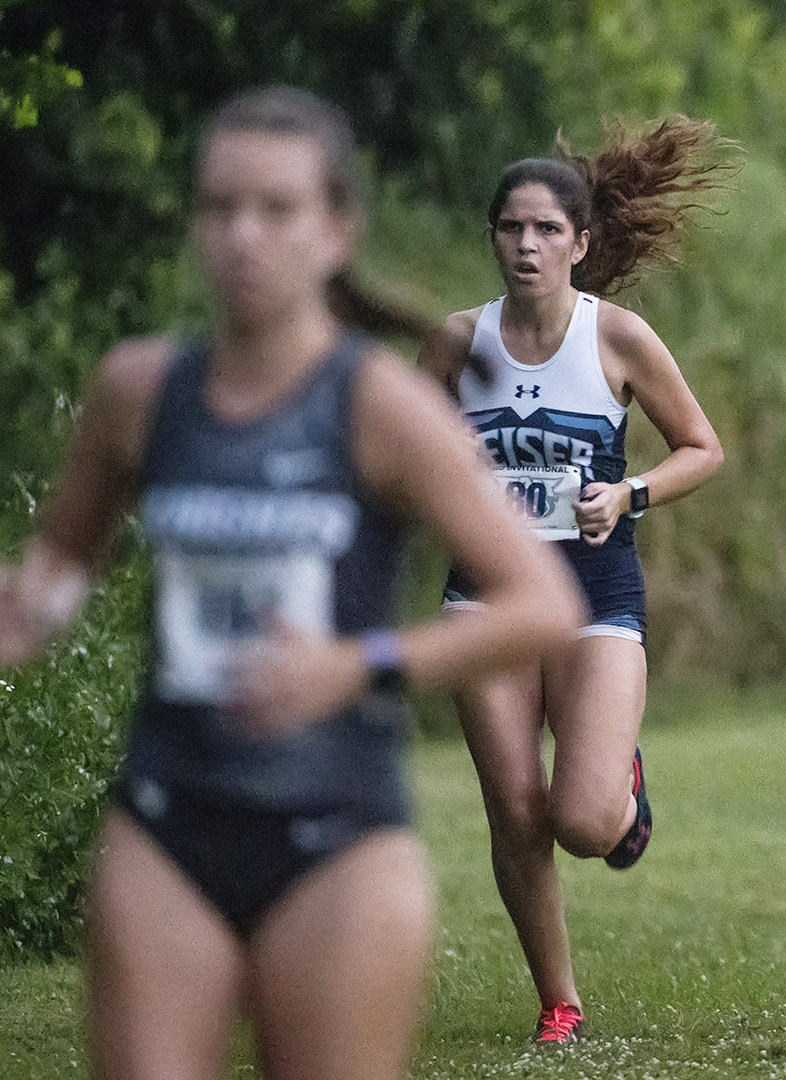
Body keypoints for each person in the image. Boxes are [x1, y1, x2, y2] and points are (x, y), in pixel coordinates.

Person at [0, 87, 583, 1080]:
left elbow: (542, 604)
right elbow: (57, 566)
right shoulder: (137, 391)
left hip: (338, 837)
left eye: (276, 210)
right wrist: (29, 608)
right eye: (219, 208)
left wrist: (360, 663)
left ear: (336, 228)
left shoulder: (382, 405)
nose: (242, 236)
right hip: (167, 820)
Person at [416, 119, 728, 1044]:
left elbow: (704, 449)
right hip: (488, 601)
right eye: (512, 228)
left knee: (582, 820)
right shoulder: (455, 343)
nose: (527, 245)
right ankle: (560, 1003)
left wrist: (628, 493)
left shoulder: (619, 339)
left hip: (596, 594)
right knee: (515, 808)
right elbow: (400, 453)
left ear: (582, 244)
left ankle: (619, 784)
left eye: (547, 230)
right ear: (493, 240)